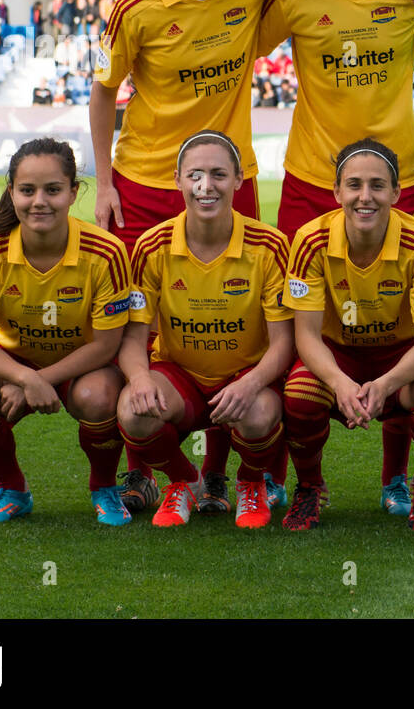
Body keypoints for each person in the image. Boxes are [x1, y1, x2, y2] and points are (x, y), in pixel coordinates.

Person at [93, 0, 414, 514]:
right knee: (145, 327)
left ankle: (223, 475)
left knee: (239, 330)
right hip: (143, 183)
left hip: (229, 178)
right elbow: (105, 89)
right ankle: (145, 471)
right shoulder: (134, 3)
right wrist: (105, 180)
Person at [259, 0, 414, 510]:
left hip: (401, 183)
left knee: (402, 326)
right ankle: (291, 477)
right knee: (291, 329)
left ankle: (396, 477)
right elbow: (241, 31)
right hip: (312, 182)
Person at [0, 138, 133, 525]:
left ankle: (104, 489)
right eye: (27, 190)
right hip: (10, 361)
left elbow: (106, 345)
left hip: (83, 361)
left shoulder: (107, 252)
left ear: (73, 192)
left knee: (99, 397)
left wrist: (36, 382)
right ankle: (13, 490)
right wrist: (20, 376)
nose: (39, 202)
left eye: (52, 190)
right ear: (11, 192)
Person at [117, 131, 294, 528]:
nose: (205, 186)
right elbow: (132, 339)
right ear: (177, 179)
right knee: (132, 409)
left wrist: (250, 384)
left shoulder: (269, 246)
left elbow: (284, 343)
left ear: (238, 180)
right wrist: (140, 377)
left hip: (246, 375)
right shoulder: (151, 246)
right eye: (195, 175)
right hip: (180, 377)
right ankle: (185, 480)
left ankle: (250, 483)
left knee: (259, 413)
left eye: (218, 174)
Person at [280, 138, 414, 530]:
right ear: (337, 191)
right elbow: (305, 336)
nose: (365, 196)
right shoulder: (310, 240)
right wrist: (340, 383)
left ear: (395, 192)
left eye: (377, 185)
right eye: (354, 184)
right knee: (300, 393)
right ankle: (309, 487)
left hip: (400, 356)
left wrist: (386, 382)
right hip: (336, 355)